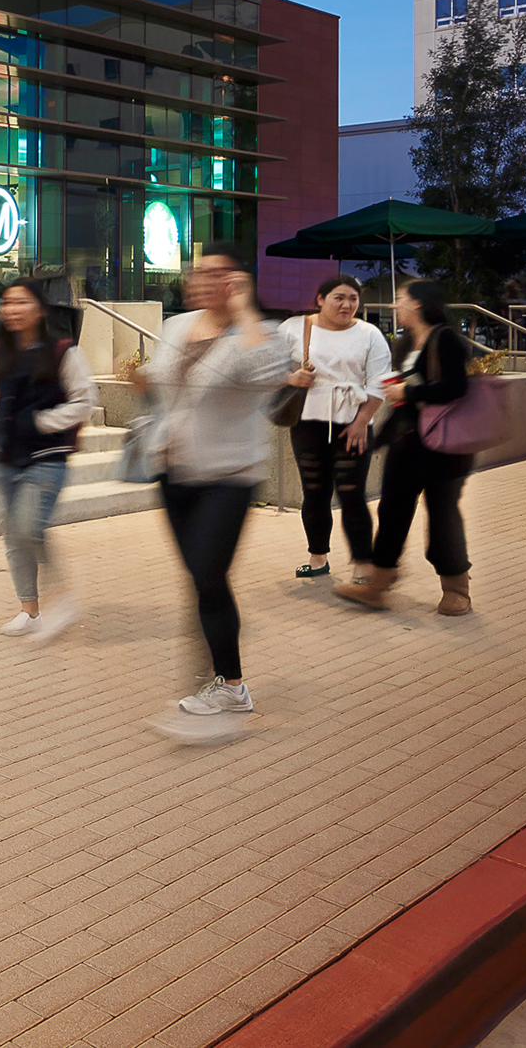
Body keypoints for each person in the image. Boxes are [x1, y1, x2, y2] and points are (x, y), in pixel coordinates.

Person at [138, 243, 292, 733]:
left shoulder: (261, 333)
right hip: (175, 471)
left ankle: (231, 688)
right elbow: (167, 389)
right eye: (199, 272)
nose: (206, 280)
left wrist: (244, 309)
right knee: (202, 579)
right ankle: (212, 677)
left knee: (208, 573)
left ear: (240, 280)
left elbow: (270, 378)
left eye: (220, 273)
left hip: (230, 474)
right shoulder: (176, 326)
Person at [0, 280, 95, 638]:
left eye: (21, 302)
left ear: (40, 309)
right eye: (7, 303)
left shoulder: (63, 351)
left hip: (46, 456)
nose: (12, 309)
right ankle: (29, 611)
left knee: (28, 528)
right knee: (14, 535)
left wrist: (41, 422)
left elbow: (84, 401)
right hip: (6, 455)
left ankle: (62, 599)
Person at [338, 279, 476, 615]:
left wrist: (409, 393)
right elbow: (404, 397)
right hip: (407, 443)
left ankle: (456, 587)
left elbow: (457, 389)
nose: (395, 305)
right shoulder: (406, 343)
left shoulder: (446, 340)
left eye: (400, 299)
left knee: (443, 515)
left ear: (417, 304)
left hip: (445, 447)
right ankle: (378, 583)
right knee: (392, 512)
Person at [281, 275, 394, 579]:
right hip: (308, 421)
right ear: (320, 299)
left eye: (353, 299)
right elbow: (265, 365)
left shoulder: (369, 334)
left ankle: (361, 562)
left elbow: (381, 383)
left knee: (351, 492)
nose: (347, 305)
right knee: (314, 492)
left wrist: (361, 422)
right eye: (339, 297)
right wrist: (291, 378)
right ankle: (318, 558)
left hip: (353, 424)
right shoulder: (295, 327)